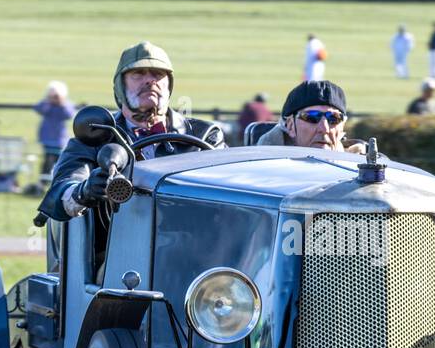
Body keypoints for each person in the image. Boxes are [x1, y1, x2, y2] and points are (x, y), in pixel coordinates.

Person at [37, 41, 227, 222]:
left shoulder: (204, 136)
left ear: (169, 85)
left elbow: (228, 193)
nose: (150, 81)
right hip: (110, 250)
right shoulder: (94, 135)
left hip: (190, 242)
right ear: (120, 87)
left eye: (158, 74)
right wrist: (84, 191)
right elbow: (62, 190)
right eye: (138, 74)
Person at [256, 80, 365, 154]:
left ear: (342, 128)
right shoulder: (258, 170)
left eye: (333, 118)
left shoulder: (359, 171)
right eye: (312, 117)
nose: (324, 129)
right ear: (290, 126)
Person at [34, 80, 77, 186]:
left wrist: (61, 102)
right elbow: (39, 108)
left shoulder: (65, 105)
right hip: (47, 138)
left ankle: (59, 181)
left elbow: (69, 114)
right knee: (47, 161)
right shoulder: (47, 104)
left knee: (60, 162)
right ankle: (43, 182)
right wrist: (49, 101)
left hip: (59, 139)